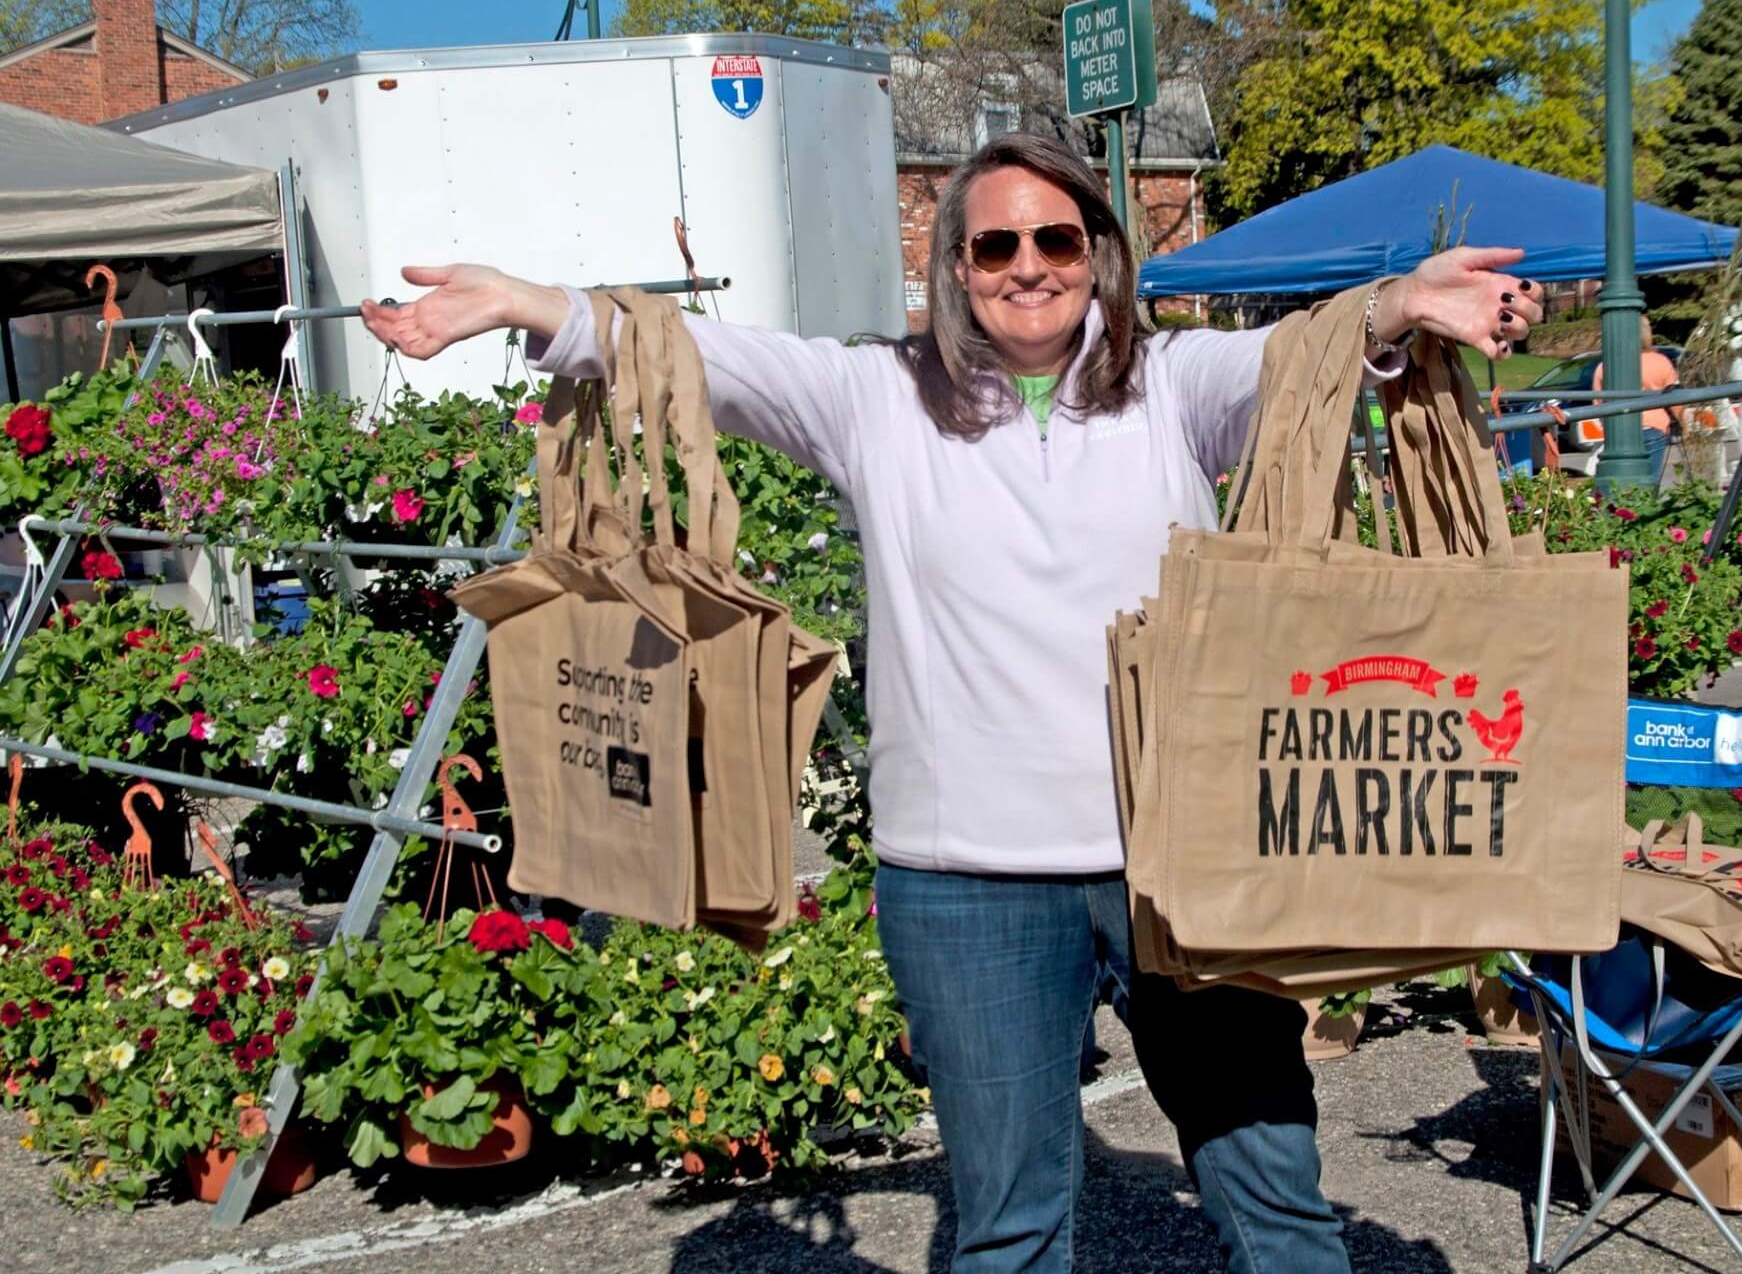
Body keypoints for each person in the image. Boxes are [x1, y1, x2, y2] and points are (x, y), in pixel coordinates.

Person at [360, 133, 1541, 1274]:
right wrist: (526, 303)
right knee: (1009, 1229)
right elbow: (701, 356)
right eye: (995, 245)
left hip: (1184, 860)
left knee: (1274, 1196)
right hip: (966, 884)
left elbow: (1306, 353)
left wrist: (1401, 303)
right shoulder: (878, 396)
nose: (1029, 266)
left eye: (1056, 239)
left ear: (1098, 252)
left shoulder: (1174, 384)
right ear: (956, 267)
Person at [1592, 316, 1680, 484]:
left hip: (1617, 431)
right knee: (1650, 480)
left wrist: (1607, 427)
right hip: (1654, 427)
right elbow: (1674, 398)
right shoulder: (1661, 362)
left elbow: (1598, 404)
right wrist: (1684, 423)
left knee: (1620, 483)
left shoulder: (1605, 366)